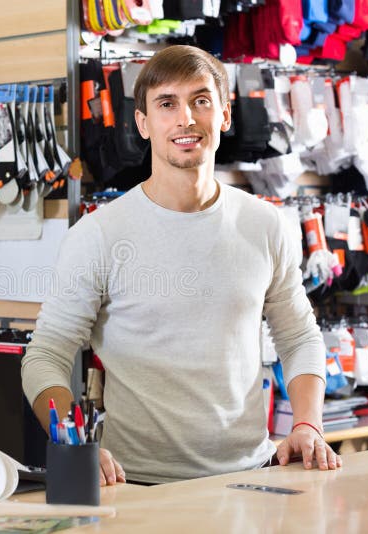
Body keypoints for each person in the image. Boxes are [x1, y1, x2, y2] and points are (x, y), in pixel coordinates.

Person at [21, 45, 341, 485]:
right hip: (135, 486)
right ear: (143, 123)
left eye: (201, 100)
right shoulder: (98, 235)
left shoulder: (266, 224)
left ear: (225, 115)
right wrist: (71, 442)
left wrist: (306, 424)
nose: (185, 118)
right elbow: (47, 354)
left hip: (250, 479)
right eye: (167, 104)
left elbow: (299, 335)